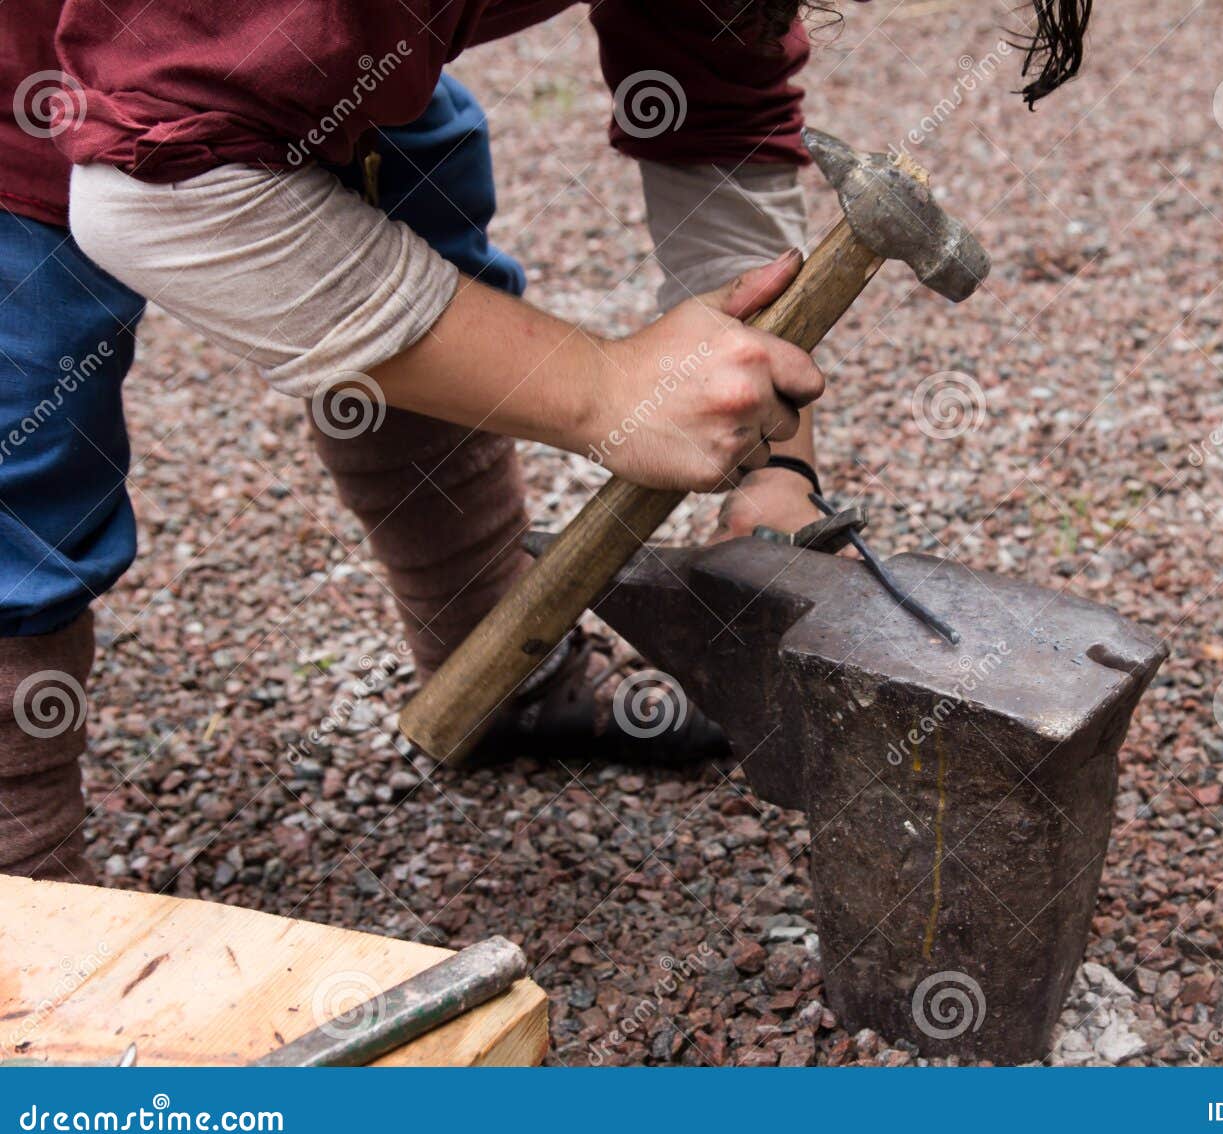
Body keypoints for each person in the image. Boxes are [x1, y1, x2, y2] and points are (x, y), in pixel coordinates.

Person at [0, 0, 1090, 883]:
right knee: (25, 450)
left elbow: (713, 106)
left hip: (310, 68)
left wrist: (779, 470)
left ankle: (501, 667)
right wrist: (594, 388)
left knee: (416, 228)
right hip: (35, 92)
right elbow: (159, 197)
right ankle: (28, 882)